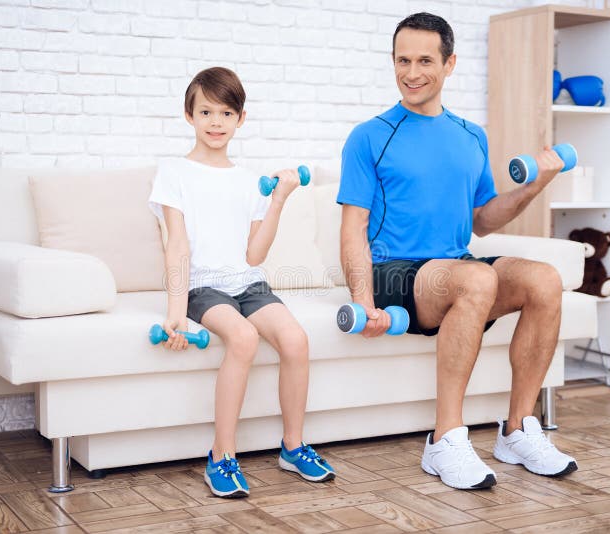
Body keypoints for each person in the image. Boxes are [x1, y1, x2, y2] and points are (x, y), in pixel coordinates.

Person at [338, 13, 577, 491]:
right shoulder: (370, 135)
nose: (412, 72)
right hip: (394, 272)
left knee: (544, 279)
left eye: (425, 60)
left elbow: (483, 220)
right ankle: (445, 439)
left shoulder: (471, 136)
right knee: (477, 278)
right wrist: (363, 302)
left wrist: (536, 185)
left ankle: (517, 430)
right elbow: (353, 229)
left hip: (458, 269)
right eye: (402, 60)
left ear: (450, 64)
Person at [148, 67, 335, 498]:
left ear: (241, 119)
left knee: (296, 340)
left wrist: (280, 199)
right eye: (206, 111)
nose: (216, 122)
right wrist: (176, 314)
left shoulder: (252, 180)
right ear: (189, 115)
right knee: (244, 338)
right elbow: (176, 245)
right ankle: (222, 454)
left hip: (247, 282)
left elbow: (254, 256)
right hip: (203, 286)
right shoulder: (174, 171)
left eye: (226, 113)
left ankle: (293, 446)